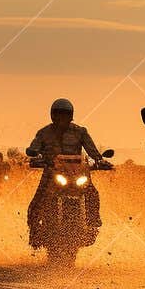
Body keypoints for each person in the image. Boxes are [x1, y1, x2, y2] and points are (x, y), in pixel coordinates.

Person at [27, 98, 104, 240]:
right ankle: (35, 232)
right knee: (37, 201)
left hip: (78, 174)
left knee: (93, 193)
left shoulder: (80, 132)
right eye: (58, 114)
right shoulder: (44, 133)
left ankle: (93, 222)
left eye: (65, 115)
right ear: (52, 115)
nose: (61, 118)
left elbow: (92, 151)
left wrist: (100, 160)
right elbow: (34, 147)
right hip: (52, 173)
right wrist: (33, 154)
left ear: (71, 116)